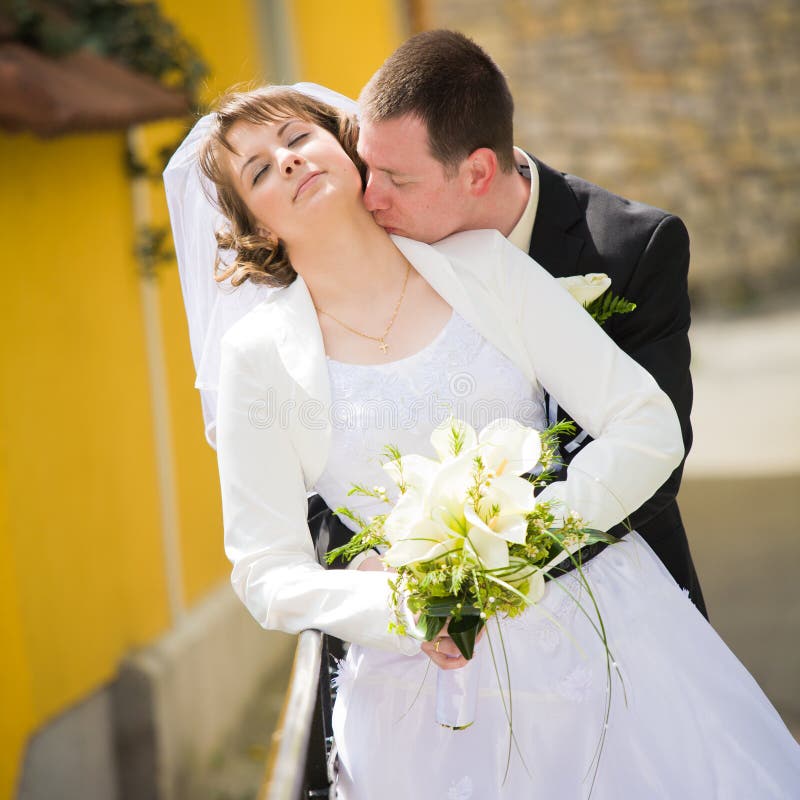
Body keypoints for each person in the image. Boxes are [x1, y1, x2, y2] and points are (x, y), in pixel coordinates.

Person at [188, 85, 799, 799]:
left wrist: (524, 545)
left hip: (606, 641)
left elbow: (645, 423)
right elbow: (265, 571)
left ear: (348, 148)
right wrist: (410, 608)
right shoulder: (257, 359)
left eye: (297, 138)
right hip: (421, 699)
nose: (288, 162)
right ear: (253, 225)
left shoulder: (481, 264)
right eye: (259, 170)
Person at [307, 29, 708, 619]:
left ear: (477, 172)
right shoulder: (376, 247)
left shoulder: (632, 250)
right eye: (367, 167)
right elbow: (323, 473)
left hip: (619, 599)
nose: (370, 198)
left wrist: (489, 573)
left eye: (399, 178)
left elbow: (655, 452)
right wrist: (402, 583)